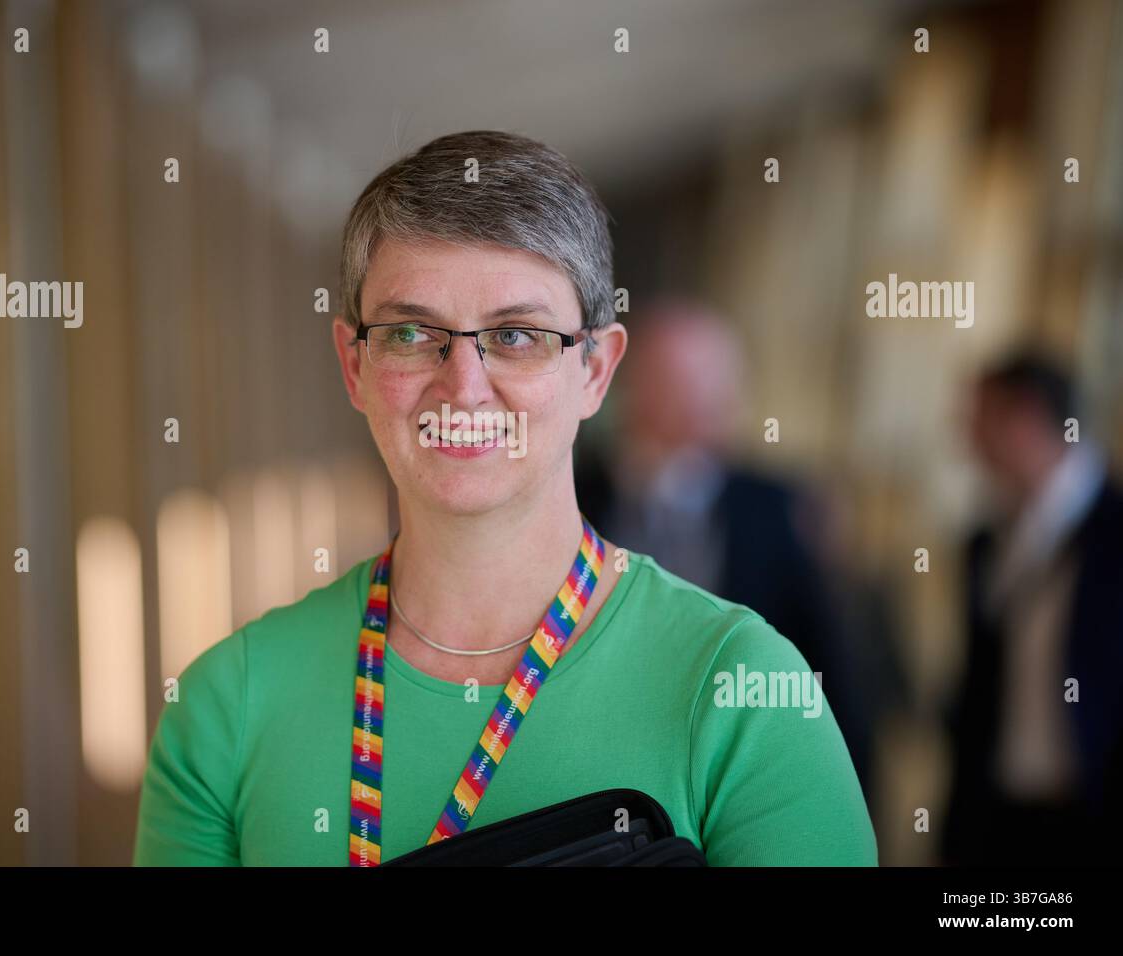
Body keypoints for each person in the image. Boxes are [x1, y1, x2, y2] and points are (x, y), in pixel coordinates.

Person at [133, 130, 876, 866]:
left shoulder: (744, 693)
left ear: (594, 370)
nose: (463, 386)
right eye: (412, 332)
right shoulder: (225, 708)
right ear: (353, 364)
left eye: (516, 335)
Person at [576, 303, 877, 790]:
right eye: (685, 381)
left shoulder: (780, 506)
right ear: (630, 384)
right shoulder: (575, 494)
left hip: (740, 769)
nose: (708, 400)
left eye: (720, 382)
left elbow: (829, 665)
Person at [943, 352, 1123, 865]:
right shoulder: (983, 542)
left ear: (1026, 419)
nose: (968, 441)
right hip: (1001, 819)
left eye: (979, 420)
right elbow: (978, 698)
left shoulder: (1114, 531)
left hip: (1092, 822)